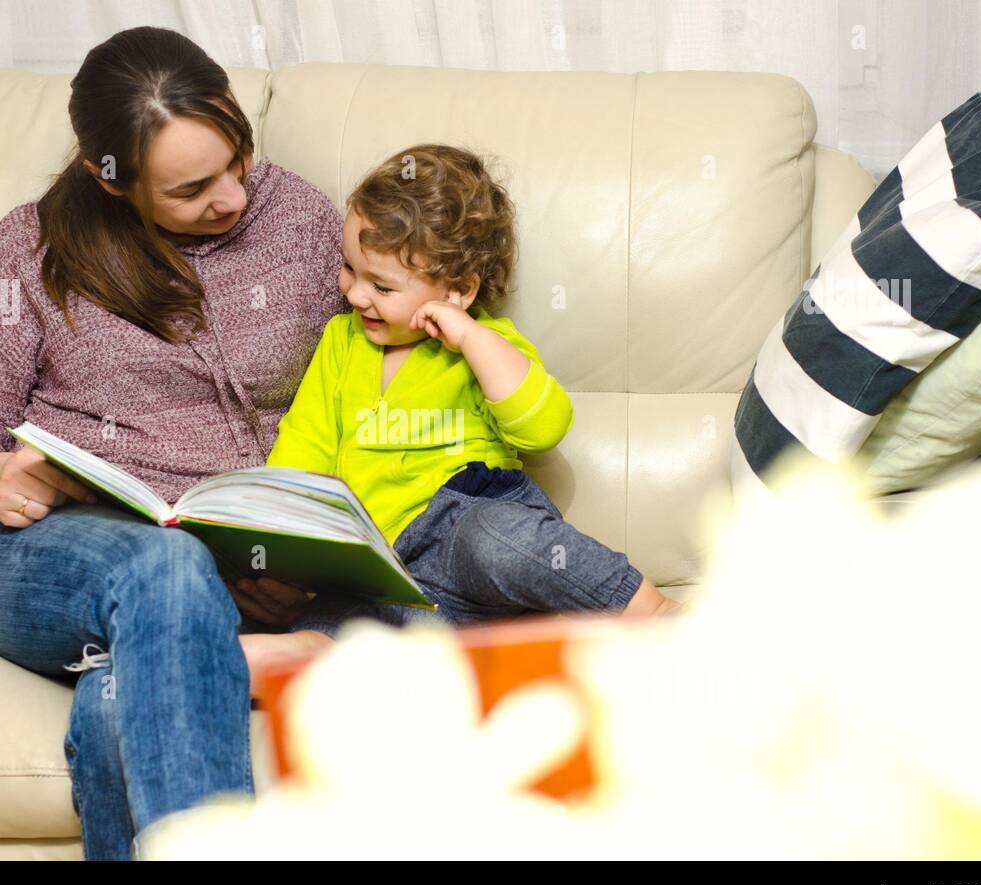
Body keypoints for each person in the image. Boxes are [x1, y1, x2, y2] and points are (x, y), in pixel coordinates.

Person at [0, 26, 338, 860]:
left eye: (237, 161)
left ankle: (200, 647)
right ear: (108, 181)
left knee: (118, 707)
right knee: (166, 565)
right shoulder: (30, 246)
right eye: (191, 189)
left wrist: (294, 546)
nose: (230, 197)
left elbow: (364, 395)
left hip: (230, 569)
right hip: (40, 556)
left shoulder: (303, 221)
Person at [267, 144, 682, 637]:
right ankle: (285, 659)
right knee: (332, 626)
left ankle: (651, 611)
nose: (355, 294)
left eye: (381, 287)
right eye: (350, 269)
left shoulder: (487, 345)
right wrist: (285, 534)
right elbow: (304, 445)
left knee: (496, 540)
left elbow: (543, 427)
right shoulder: (342, 341)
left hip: (462, 525)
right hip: (386, 568)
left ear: (458, 290)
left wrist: (468, 337)